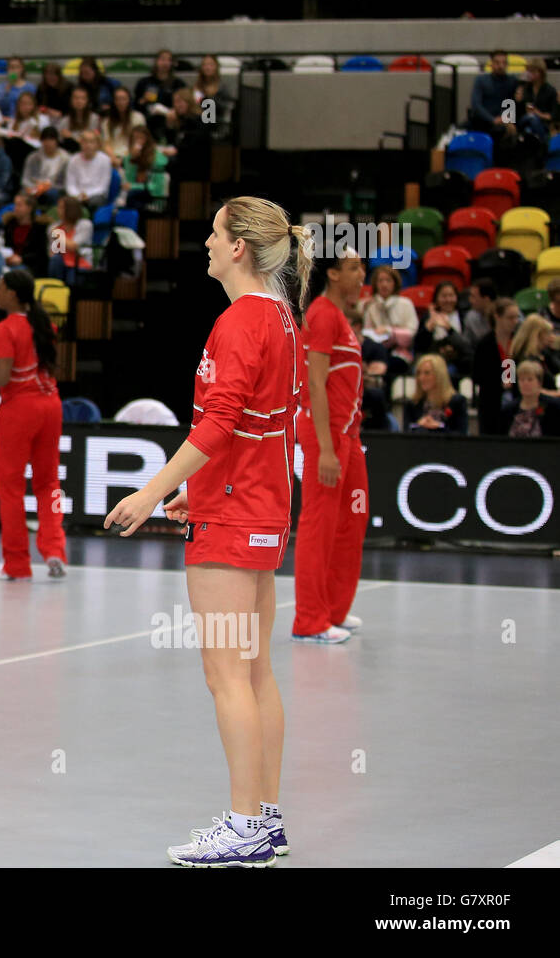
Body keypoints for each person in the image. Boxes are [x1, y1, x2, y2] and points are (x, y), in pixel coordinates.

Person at [106, 197, 307, 867]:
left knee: (226, 673)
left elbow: (217, 423)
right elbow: (261, 424)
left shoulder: (238, 322)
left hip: (231, 522)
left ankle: (245, 824)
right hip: (263, 510)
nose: (207, 245)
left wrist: (150, 491)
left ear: (241, 247)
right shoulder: (285, 319)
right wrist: (199, 487)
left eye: (215, 234)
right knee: (255, 672)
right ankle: (266, 817)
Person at [0, 268, 66, 581]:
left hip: (20, 411)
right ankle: (54, 551)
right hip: (51, 406)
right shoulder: (42, 324)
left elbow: (4, 377)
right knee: (48, 483)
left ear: (12, 294)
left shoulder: (7, 327)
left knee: (10, 489)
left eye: (1, 287)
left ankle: (17, 564)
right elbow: (30, 346)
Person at [293, 241, 366, 645]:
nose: (362, 275)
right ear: (333, 273)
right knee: (319, 526)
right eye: (354, 268)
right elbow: (315, 385)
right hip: (327, 435)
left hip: (348, 436)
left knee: (350, 524)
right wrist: (323, 447)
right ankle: (308, 620)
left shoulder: (340, 318)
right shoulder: (322, 315)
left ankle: (334, 609)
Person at [471, 296, 521, 435]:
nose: (515, 322)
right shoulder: (485, 344)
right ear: (497, 317)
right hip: (491, 402)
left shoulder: (517, 342)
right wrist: (499, 383)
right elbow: (477, 376)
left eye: (516, 317)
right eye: (510, 318)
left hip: (515, 401)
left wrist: (512, 382)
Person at [361, 265, 417, 370]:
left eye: (388, 280)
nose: (384, 284)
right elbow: (366, 331)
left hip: (400, 353)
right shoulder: (370, 305)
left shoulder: (406, 304)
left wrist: (390, 332)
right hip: (376, 351)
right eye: (380, 281)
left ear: (395, 283)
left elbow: (411, 334)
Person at [413, 279, 471, 378]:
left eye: (451, 296)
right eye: (444, 296)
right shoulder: (428, 317)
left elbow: (466, 347)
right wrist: (429, 327)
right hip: (431, 359)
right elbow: (419, 346)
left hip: (456, 362)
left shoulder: (464, 316)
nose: (448, 300)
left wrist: (449, 329)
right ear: (436, 299)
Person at [466, 50, 519, 150]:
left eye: (504, 63)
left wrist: (505, 119)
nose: (501, 66)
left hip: (503, 121)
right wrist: (493, 120)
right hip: (483, 121)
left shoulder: (512, 81)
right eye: (497, 62)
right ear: (491, 64)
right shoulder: (481, 80)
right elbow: (476, 105)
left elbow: (511, 102)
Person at [404, 353, 468, 432]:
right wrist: (418, 425)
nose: (421, 378)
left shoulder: (457, 402)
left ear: (439, 375)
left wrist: (439, 426)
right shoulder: (412, 403)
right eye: (419, 373)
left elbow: (461, 434)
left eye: (427, 373)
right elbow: (406, 433)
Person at [501, 359, 560, 437]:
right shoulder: (509, 409)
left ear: (539, 382)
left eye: (530, 379)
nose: (525, 383)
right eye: (522, 380)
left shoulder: (554, 407)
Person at [122, 125, 170, 212]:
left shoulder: (158, 158)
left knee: (131, 197)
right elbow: (129, 180)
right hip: (137, 194)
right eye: (135, 139)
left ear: (148, 140)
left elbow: (156, 187)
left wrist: (134, 186)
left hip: (154, 198)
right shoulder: (129, 158)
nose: (139, 142)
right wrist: (132, 159)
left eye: (141, 138)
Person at [45, 196, 93, 283]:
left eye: (61, 208)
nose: (57, 211)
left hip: (80, 261)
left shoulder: (85, 225)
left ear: (71, 209)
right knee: (55, 260)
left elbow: (73, 246)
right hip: (60, 262)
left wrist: (58, 235)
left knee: (72, 273)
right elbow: (52, 252)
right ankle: (55, 289)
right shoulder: (54, 227)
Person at [515, 57, 556, 157]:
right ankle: (542, 146)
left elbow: (552, 116)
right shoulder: (524, 88)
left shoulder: (550, 91)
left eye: (532, 71)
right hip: (524, 121)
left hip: (542, 125)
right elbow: (517, 114)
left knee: (530, 127)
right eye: (528, 71)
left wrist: (537, 113)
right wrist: (518, 101)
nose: (529, 74)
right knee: (530, 119)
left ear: (540, 73)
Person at [64, 129, 114, 212]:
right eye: (85, 142)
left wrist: (87, 195)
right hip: (77, 195)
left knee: (95, 202)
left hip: (96, 195)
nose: (88, 145)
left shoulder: (105, 160)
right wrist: (78, 195)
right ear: (81, 143)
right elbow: (70, 184)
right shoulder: (73, 160)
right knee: (67, 201)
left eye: (91, 142)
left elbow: (102, 187)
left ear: (97, 144)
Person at [0, 192, 48, 278]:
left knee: (17, 271)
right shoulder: (10, 224)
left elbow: (41, 254)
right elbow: (6, 246)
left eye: (19, 205)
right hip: (9, 260)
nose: (15, 208)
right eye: (15, 205)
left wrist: (22, 259)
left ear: (29, 208)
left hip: (28, 265)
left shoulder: (40, 227)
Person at [511, 314, 560, 390]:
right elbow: (527, 390)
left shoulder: (543, 354)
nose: (552, 336)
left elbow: (557, 368)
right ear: (537, 335)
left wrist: (552, 349)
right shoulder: (525, 360)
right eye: (548, 333)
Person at [104, 86, 148, 160]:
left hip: (133, 156)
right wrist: (114, 159)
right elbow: (106, 144)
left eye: (124, 99)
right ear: (114, 101)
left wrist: (130, 157)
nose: (121, 102)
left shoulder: (138, 117)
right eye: (118, 99)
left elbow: (141, 140)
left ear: (129, 100)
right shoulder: (106, 122)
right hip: (114, 157)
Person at [57, 86, 102, 150]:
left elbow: (94, 141)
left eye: (83, 98)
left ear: (87, 101)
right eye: (76, 98)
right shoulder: (65, 120)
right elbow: (59, 140)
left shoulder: (94, 118)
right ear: (71, 100)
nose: (79, 101)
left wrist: (71, 136)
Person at [462, 277, 496, 347]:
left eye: (473, 297)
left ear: (486, 299)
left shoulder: (508, 314)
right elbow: (465, 346)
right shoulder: (470, 317)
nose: (470, 300)